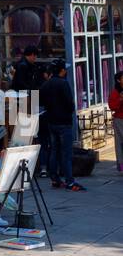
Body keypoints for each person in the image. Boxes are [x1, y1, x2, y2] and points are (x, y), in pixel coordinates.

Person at [39, 59, 84, 192]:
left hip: (51, 122)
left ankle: (54, 178)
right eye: (65, 69)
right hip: (64, 122)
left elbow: (40, 101)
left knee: (54, 150)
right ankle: (69, 181)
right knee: (66, 153)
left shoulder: (46, 85)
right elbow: (70, 104)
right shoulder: (63, 84)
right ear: (62, 70)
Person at [109, 70, 123, 174]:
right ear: (118, 80)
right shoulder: (115, 92)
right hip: (119, 119)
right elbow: (112, 106)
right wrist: (120, 99)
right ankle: (121, 165)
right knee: (120, 143)